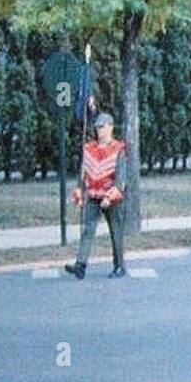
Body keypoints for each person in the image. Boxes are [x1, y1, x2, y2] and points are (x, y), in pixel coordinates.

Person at [64, 113, 128, 279]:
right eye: (98, 127)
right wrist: (79, 192)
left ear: (111, 127)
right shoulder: (89, 149)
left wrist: (111, 196)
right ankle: (80, 265)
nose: (100, 130)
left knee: (116, 231)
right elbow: (83, 174)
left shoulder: (118, 149)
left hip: (112, 199)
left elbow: (120, 178)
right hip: (93, 196)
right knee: (88, 230)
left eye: (103, 127)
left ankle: (119, 266)